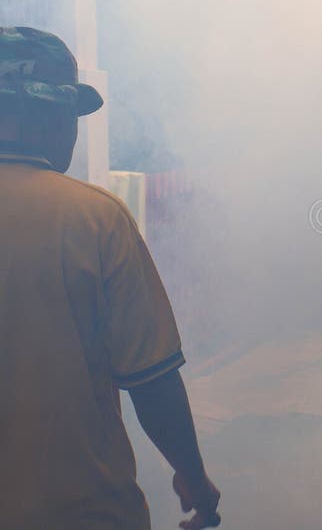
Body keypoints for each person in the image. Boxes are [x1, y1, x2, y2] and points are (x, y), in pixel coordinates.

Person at [0, 27, 220, 529]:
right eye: (69, 116)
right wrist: (193, 477)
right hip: (82, 513)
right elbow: (153, 379)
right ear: (50, 117)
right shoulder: (94, 218)